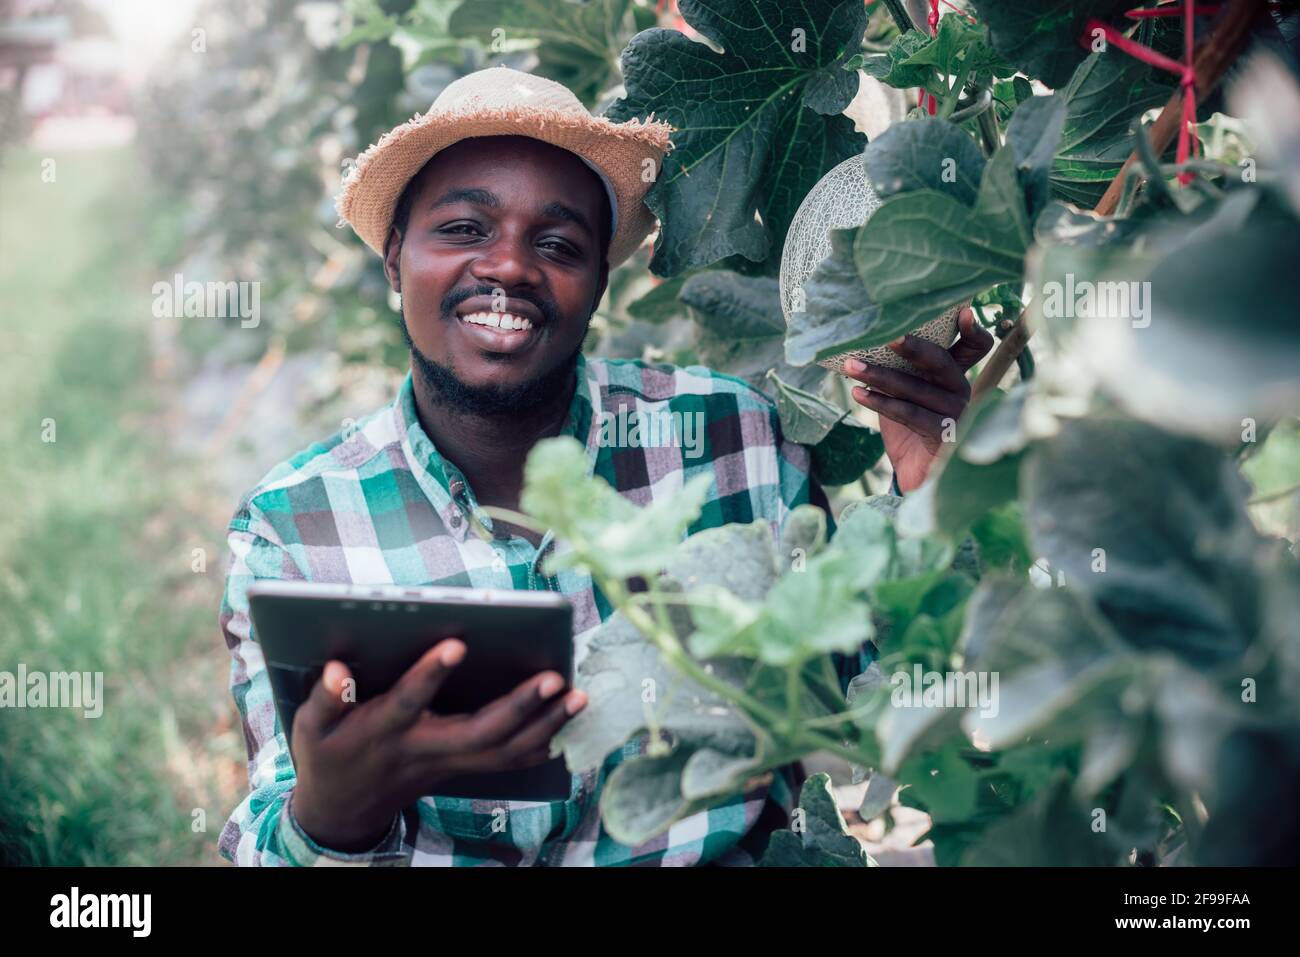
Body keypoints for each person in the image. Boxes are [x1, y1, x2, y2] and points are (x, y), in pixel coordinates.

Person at [217, 66, 993, 867]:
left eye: (558, 244)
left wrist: (930, 483)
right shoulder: (294, 525)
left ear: (598, 285)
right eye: (463, 229)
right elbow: (268, 836)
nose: (509, 267)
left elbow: (881, 692)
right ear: (392, 259)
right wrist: (334, 816)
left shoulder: (733, 439)